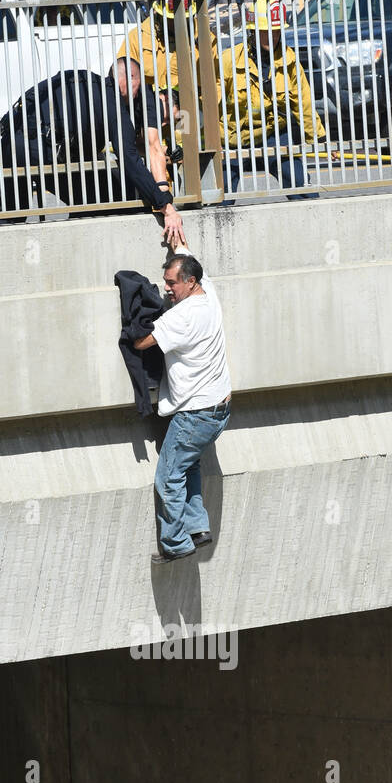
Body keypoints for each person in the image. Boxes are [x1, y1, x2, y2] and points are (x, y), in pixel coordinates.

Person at [0, 57, 185, 245]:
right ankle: (77, 251)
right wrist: (164, 205)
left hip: (12, 139)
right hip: (39, 147)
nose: (163, 123)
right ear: (130, 78)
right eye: (168, 117)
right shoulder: (112, 100)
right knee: (98, 198)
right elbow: (129, 156)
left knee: (12, 214)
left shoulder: (88, 84)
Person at [133, 240, 231, 565]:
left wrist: (135, 314)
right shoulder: (209, 296)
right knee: (189, 466)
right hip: (219, 409)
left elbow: (142, 341)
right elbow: (189, 257)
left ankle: (176, 543)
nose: (166, 288)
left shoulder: (184, 316)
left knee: (168, 476)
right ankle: (199, 528)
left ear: (190, 282)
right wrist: (176, 231)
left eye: (172, 283)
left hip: (195, 415)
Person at [220, 0, 327, 198]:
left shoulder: (289, 60)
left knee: (301, 186)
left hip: (273, 134)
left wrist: (319, 138)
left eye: (277, 31)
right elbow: (212, 105)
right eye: (266, 32)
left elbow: (303, 102)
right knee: (220, 195)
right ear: (252, 31)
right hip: (235, 138)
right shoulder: (228, 61)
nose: (273, 37)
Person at [118, 0, 217, 190]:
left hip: (186, 116)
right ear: (158, 13)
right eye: (171, 19)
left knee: (193, 183)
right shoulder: (138, 38)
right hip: (149, 123)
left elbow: (215, 82)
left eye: (184, 17)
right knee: (155, 185)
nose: (177, 23)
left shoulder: (203, 36)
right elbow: (123, 82)